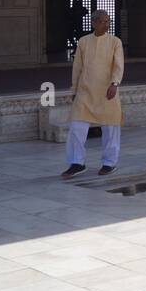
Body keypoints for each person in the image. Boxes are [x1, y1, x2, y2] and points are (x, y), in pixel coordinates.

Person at [62, 9, 124, 178]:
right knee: (76, 127)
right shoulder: (83, 41)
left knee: (111, 128)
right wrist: (74, 89)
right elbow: (77, 68)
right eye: (102, 22)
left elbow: (118, 66)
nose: (106, 25)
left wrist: (115, 83)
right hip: (85, 91)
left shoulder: (115, 42)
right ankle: (77, 163)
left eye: (108, 22)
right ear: (93, 23)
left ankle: (109, 163)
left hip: (107, 92)